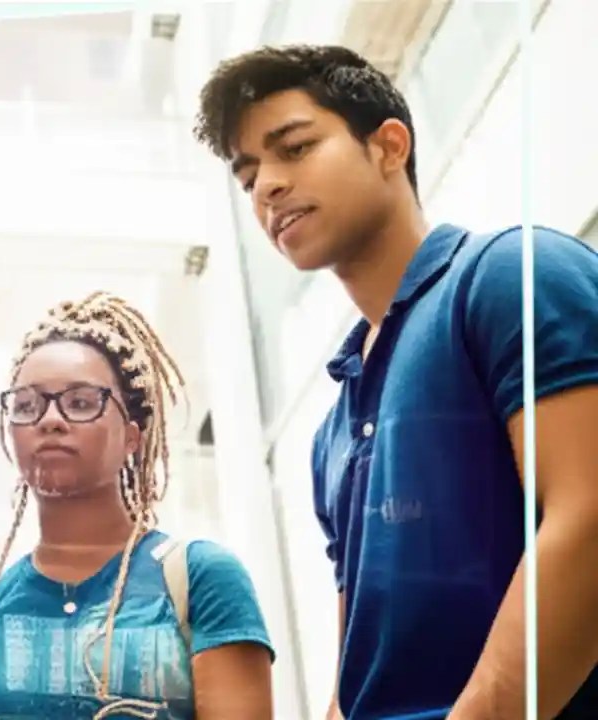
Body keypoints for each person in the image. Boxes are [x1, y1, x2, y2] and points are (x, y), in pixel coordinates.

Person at [194, 44, 598, 720]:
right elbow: (364, 655)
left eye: (293, 148)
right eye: (249, 175)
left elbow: (588, 517)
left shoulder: (511, 274)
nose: (266, 185)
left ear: (388, 146)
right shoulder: (332, 429)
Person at [0, 292, 275, 719]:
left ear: (132, 437)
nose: (50, 420)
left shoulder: (201, 579)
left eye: (80, 402)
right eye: (26, 406)